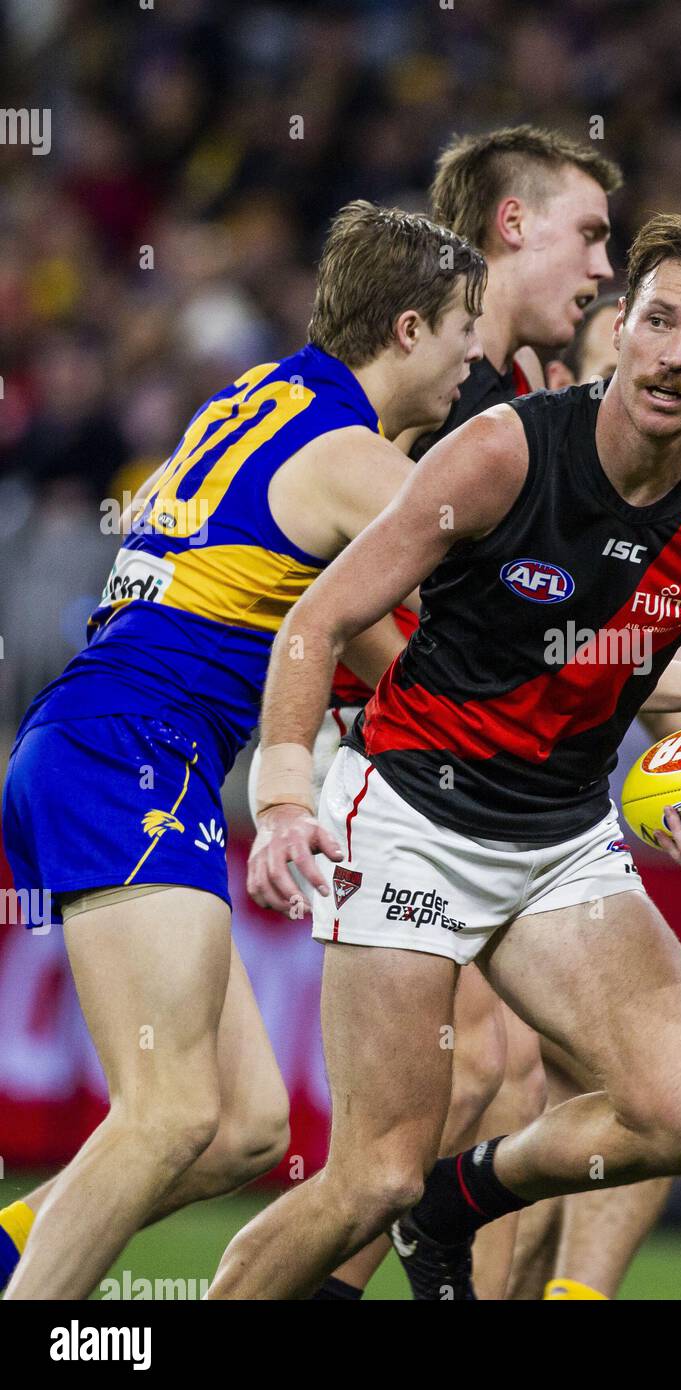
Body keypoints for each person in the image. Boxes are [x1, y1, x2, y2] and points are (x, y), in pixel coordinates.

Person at [207, 208, 681, 1301]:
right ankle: (403, 1209)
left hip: (562, 835)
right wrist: (289, 789)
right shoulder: (503, 449)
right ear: (622, 324)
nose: (675, 357)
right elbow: (316, 618)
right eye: (658, 321)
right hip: (408, 811)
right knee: (370, 1176)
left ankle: (459, 1202)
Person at [0, 204, 489, 1300]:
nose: (476, 355)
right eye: (465, 326)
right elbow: (491, 602)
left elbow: (355, 629)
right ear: (408, 329)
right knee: (170, 1109)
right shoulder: (353, 456)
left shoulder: (268, 397)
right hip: (130, 745)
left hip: (104, 740)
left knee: (243, 1128)